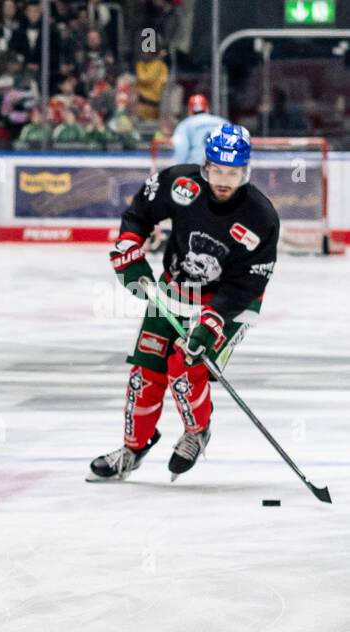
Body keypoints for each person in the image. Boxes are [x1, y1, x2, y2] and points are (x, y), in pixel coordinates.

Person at [90, 125, 279, 482]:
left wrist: (214, 320)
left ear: (246, 171)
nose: (224, 180)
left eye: (233, 173)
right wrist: (129, 247)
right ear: (206, 167)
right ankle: (134, 447)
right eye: (218, 171)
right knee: (145, 370)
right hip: (179, 289)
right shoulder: (180, 184)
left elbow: (250, 283)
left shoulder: (261, 217)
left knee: (185, 364)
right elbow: (138, 214)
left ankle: (196, 431)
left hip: (232, 301)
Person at [166, 94, 227, 167]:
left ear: (189, 110)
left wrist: (179, 169)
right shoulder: (223, 122)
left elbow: (181, 149)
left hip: (195, 169)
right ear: (207, 108)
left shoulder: (184, 125)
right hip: (220, 168)